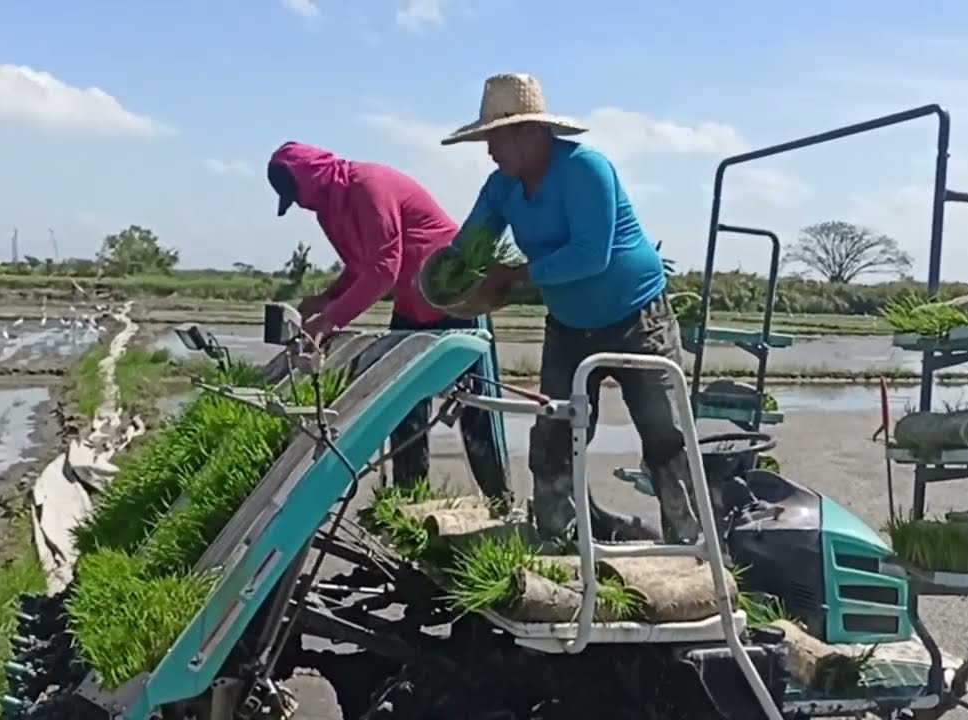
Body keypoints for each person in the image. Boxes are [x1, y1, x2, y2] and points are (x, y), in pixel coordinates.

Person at [439, 73, 702, 544]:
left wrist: (511, 277)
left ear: (531, 132)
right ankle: (556, 539)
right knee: (556, 432)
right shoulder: (502, 186)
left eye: (495, 138)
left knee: (664, 435)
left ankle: (690, 548)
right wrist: (447, 276)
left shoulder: (585, 169)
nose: (489, 151)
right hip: (569, 326)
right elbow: (470, 241)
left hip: (638, 317)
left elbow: (590, 254)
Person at [267, 141, 509, 502]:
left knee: (478, 408)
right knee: (404, 405)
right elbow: (359, 266)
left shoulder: (368, 186)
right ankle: (410, 501)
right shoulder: (328, 209)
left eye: (298, 193)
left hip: (452, 298)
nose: (301, 203)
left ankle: (501, 503)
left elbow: (383, 270)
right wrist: (327, 298)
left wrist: (328, 321)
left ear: (313, 175)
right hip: (411, 307)